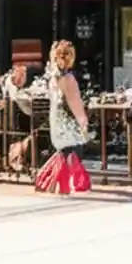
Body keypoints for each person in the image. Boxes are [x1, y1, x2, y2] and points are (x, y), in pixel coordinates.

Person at [39, 40, 90, 195]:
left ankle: (61, 183)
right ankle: (67, 183)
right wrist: (83, 121)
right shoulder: (69, 79)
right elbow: (75, 102)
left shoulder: (53, 78)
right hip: (67, 120)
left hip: (56, 118)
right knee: (72, 151)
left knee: (64, 151)